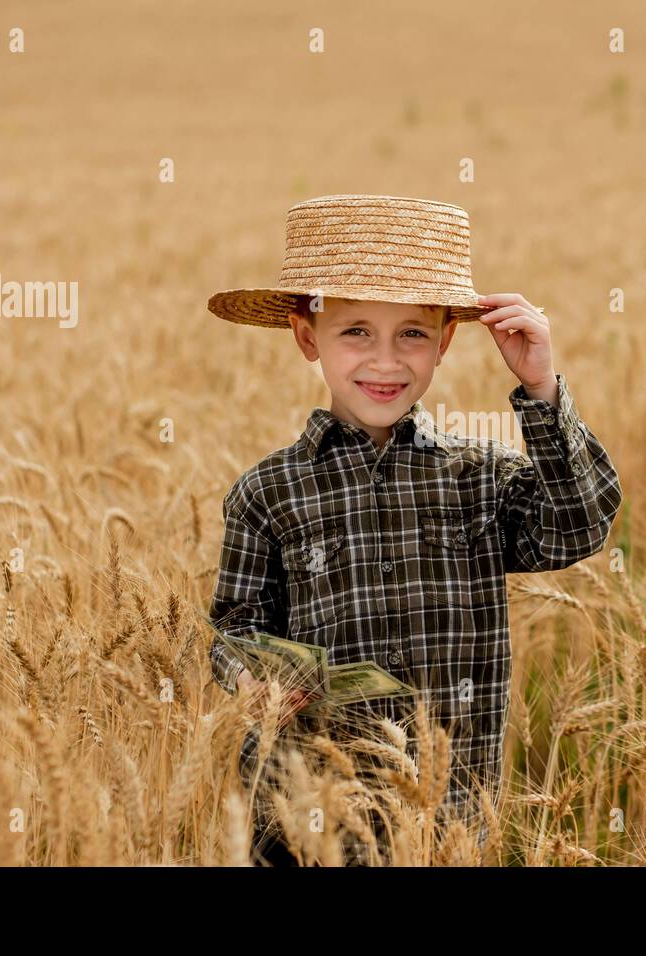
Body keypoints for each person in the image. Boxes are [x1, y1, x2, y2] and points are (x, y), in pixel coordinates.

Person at [205, 193, 622, 865]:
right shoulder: (268, 491)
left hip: (446, 817)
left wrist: (542, 389)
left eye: (412, 334)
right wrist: (257, 678)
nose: (385, 361)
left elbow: (576, 529)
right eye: (356, 332)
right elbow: (235, 627)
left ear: (445, 342)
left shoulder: (479, 478)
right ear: (307, 337)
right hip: (309, 817)